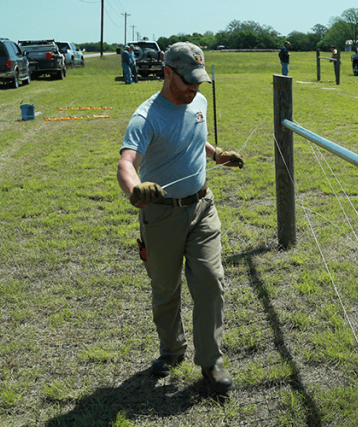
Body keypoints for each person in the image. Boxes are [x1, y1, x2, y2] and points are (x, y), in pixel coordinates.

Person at [116, 41, 245, 393]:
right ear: (167, 72)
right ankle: (171, 350)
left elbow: (193, 136)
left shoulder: (198, 101)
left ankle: (210, 360)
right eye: (187, 81)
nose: (194, 88)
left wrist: (216, 154)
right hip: (161, 216)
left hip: (203, 206)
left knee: (210, 280)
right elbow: (127, 163)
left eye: (199, 81)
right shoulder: (147, 116)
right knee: (166, 288)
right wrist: (136, 190)